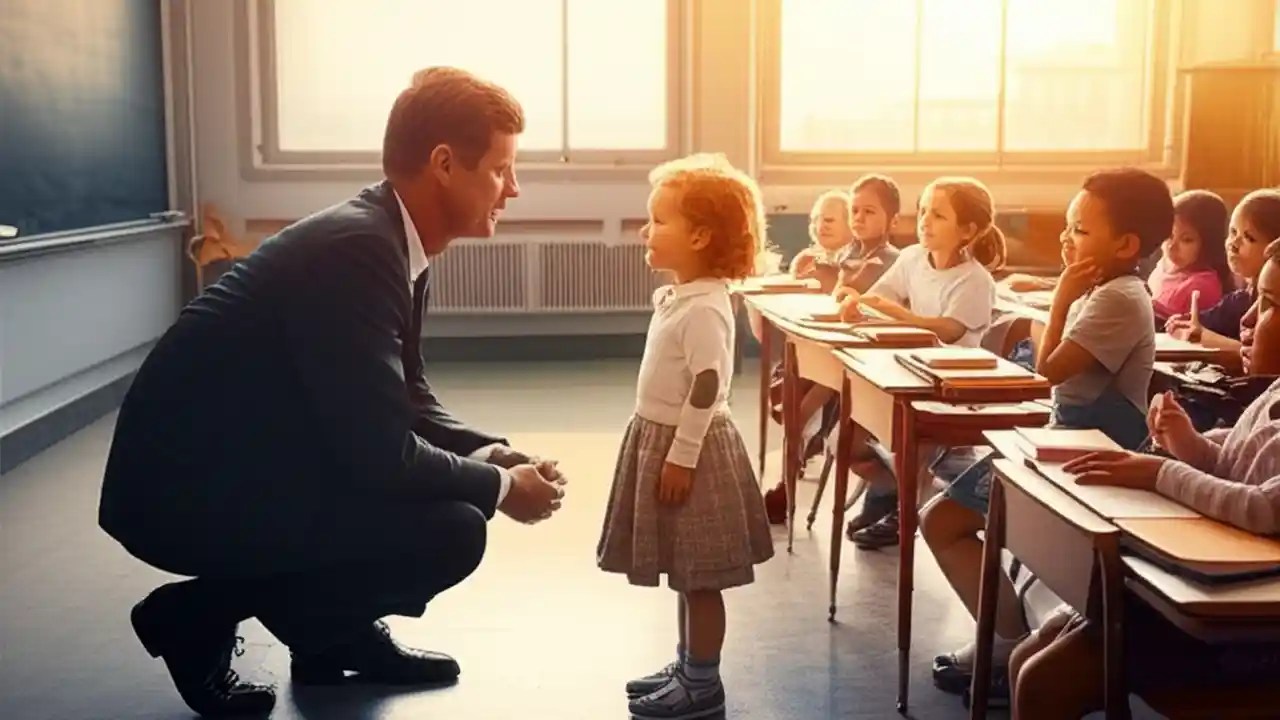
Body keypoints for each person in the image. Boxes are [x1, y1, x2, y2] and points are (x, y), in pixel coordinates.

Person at [98, 67, 568, 717]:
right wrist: (505, 489)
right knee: (452, 530)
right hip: (179, 492)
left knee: (441, 504)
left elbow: (406, 393)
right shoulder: (361, 250)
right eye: (501, 169)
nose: (513, 189)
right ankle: (196, 615)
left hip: (237, 466)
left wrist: (492, 454)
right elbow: (379, 454)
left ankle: (326, 643)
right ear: (443, 164)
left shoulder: (387, 237)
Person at [922, 167, 1173, 704]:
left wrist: (1058, 299)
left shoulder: (1120, 298)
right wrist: (1062, 298)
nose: (1066, 238)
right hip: (1064, 440)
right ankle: (1006, 641)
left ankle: (1006, 646)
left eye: (1080, 229)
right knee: (942, 519)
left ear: (1127, 244)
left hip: (1091, 454)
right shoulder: (1102, 289)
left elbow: (1050, 370)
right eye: (1068, 225)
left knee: (944, 521)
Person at [596, 153, 775, 720]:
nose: (647, 231)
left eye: (659, 221)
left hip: (688, 448)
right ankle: (688, 662)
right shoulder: (683, 295)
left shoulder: (707, 309)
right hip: (662, 437)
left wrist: (682, 457)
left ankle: (703, 684)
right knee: (684, 568)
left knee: (700, 577)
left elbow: (706, 386)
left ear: (699, 235)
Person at [1009, 372, 1280, 719]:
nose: (1250, 323)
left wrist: (1159, 474)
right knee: (1031, 653)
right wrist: (1189, 445)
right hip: (1224, 585)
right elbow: (1233, 466)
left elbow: (1266, 508)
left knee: (1044, 683)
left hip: (1255, 627)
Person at [837, 176, 1005, 549]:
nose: (925, 221)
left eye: (939, 215)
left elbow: (948, 330)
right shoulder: (913, 257)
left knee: (903, 436)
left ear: (968, 230)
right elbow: (881, 296)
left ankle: (905, 508)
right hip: (911, 373)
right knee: (845, 441)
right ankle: (895, 495)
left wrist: (896, 314)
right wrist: (857, 304)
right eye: (924, 211)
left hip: (953, 388)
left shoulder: (975, 280)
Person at [1165, 188, 1280, 353]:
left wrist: (1205, 338)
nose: (1233, 244)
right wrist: (1183, 322)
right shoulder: (1241, 299)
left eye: (1249, 238)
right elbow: (1200, 322)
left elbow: (1262, 358)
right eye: (1233, 232)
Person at [1147, 189, 1231, 321]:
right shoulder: (1166, 264)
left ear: (1209, 242)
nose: (1172, 246)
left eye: (1186, 240)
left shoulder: (1203, 286)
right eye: (1169, 236)